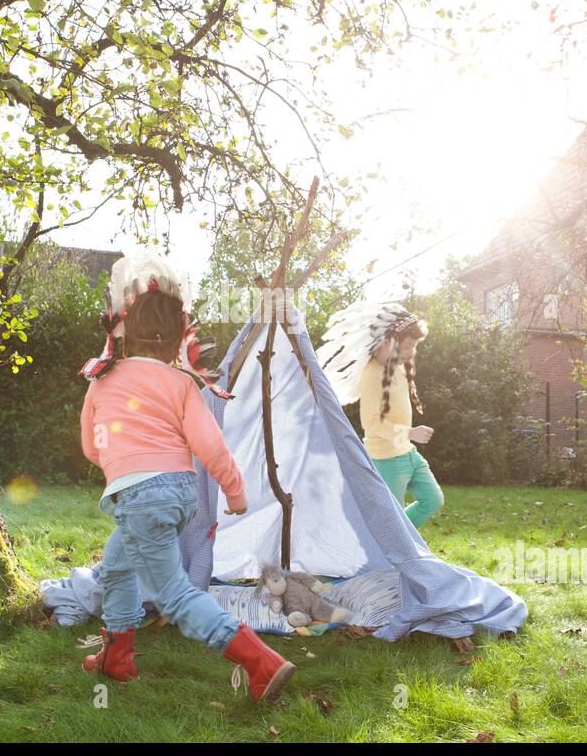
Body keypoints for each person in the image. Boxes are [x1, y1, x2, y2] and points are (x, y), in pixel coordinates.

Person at [77, 257, 295, 702]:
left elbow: (90, 446)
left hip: (137, 494)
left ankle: (261, 661)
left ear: (122, 330)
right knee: (118, 568)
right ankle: (116, 659)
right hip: (179, 491)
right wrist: (234, 491)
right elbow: (210, 445)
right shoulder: (182, 383)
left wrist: (120, 461)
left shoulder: (102, 381)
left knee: (173, 595)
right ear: (180, 335)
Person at [318, 300, 444, 529]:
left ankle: (401, 543)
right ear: (387, 341)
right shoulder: (372, 374)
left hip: (408, 453)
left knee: (432, 499)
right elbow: (372, 424)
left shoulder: (397, 367)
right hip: (386, 459)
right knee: (389, 519)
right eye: (407, 346)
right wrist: (410, 433)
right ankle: (394, 553)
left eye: (414, 346)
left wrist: (409, 439)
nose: (411, 352)